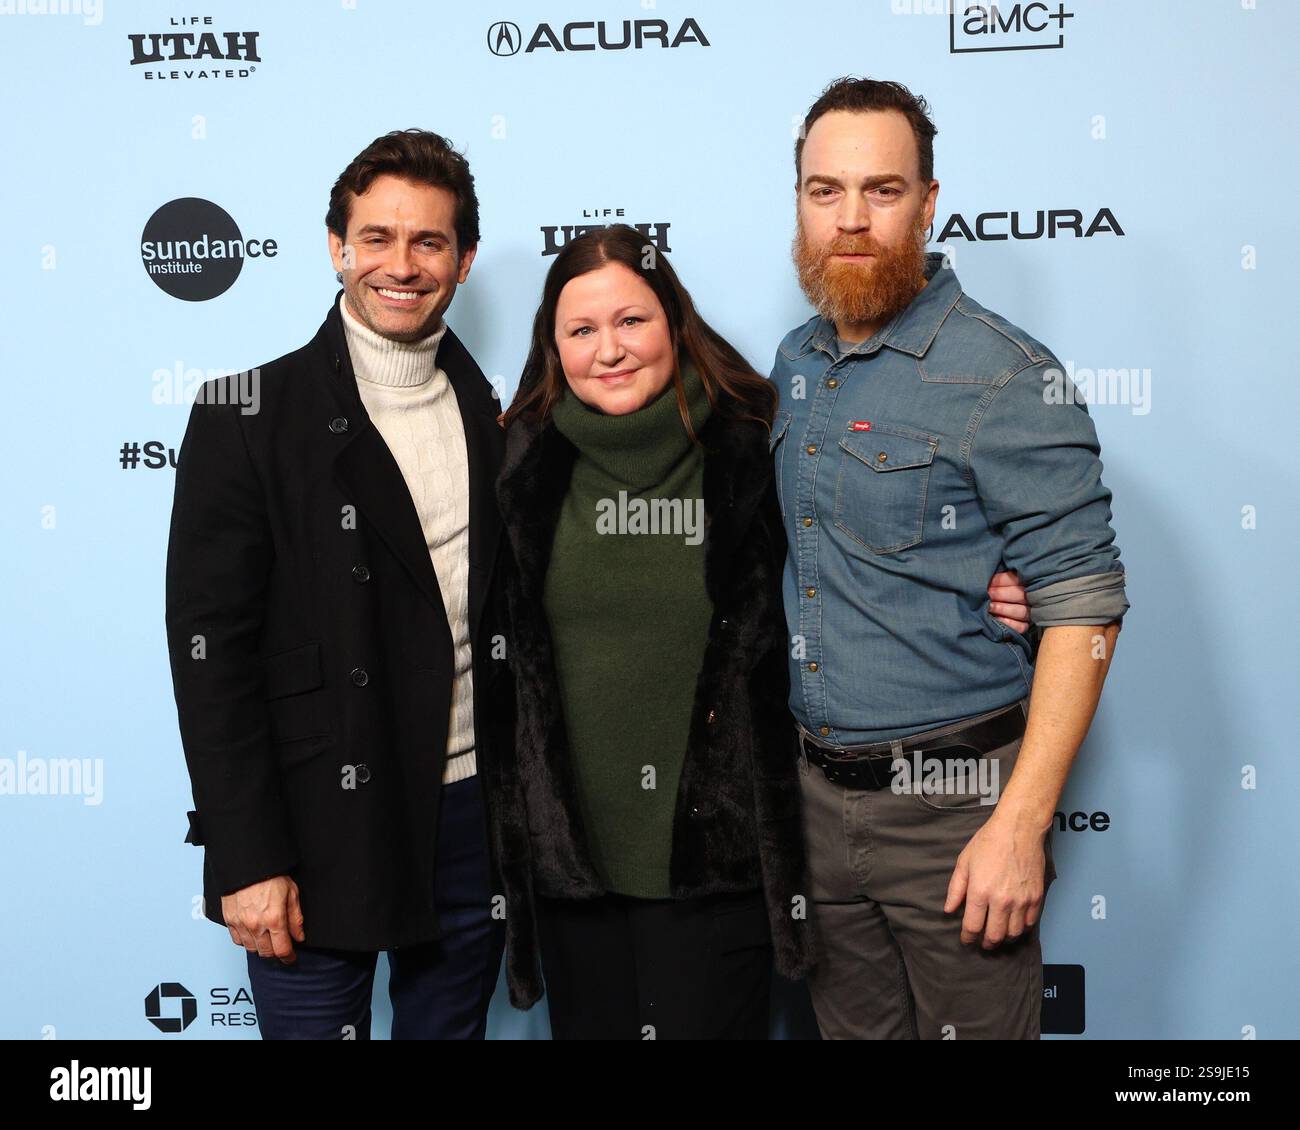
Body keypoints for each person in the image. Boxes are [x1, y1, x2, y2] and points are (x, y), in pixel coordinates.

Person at [482, 224, 1030, 1039]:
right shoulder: (518, 460)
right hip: (574, 870)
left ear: (674, 319)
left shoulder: (761, 439)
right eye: (581, 330)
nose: (609, 349)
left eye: (631, 320)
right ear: (552, 345)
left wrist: (974, 582)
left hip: (717, 861)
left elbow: (854, 550)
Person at [773, 77, 1129, 1039]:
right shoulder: (796, 365)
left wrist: (1020, 827)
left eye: (882, 191)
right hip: (810, 805)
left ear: (929, 204)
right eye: (825, 191)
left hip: (957, 811)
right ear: (799, 201)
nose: (851, 219)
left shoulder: (1007, 377)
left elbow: (1086, 610)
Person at [164, 129, 510, 1039]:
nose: (402, 264)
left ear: (464, 260)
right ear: (336, 248)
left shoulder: (492, 409)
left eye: (429, 242)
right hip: (317, 826)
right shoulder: (245, 416)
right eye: (379, 238)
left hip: (472, 817)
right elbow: (212, 664)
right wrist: (245, 858)